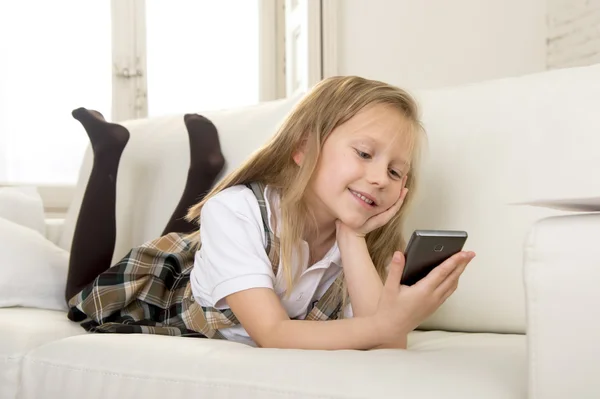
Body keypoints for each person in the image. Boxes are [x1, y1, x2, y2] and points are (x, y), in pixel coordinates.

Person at [65, 76, 475, 350]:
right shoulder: (236, 210)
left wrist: (353, 237)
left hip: (225, 251)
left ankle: (204, 169)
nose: (379, 179)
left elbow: (378, 347)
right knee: (78, 293)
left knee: (209, 222)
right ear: (302, 148)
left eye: (395, 171)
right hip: (168, 287)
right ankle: (108, 150)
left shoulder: (364, 245)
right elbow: (272, 332)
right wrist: (390, 325)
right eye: (364, 154)